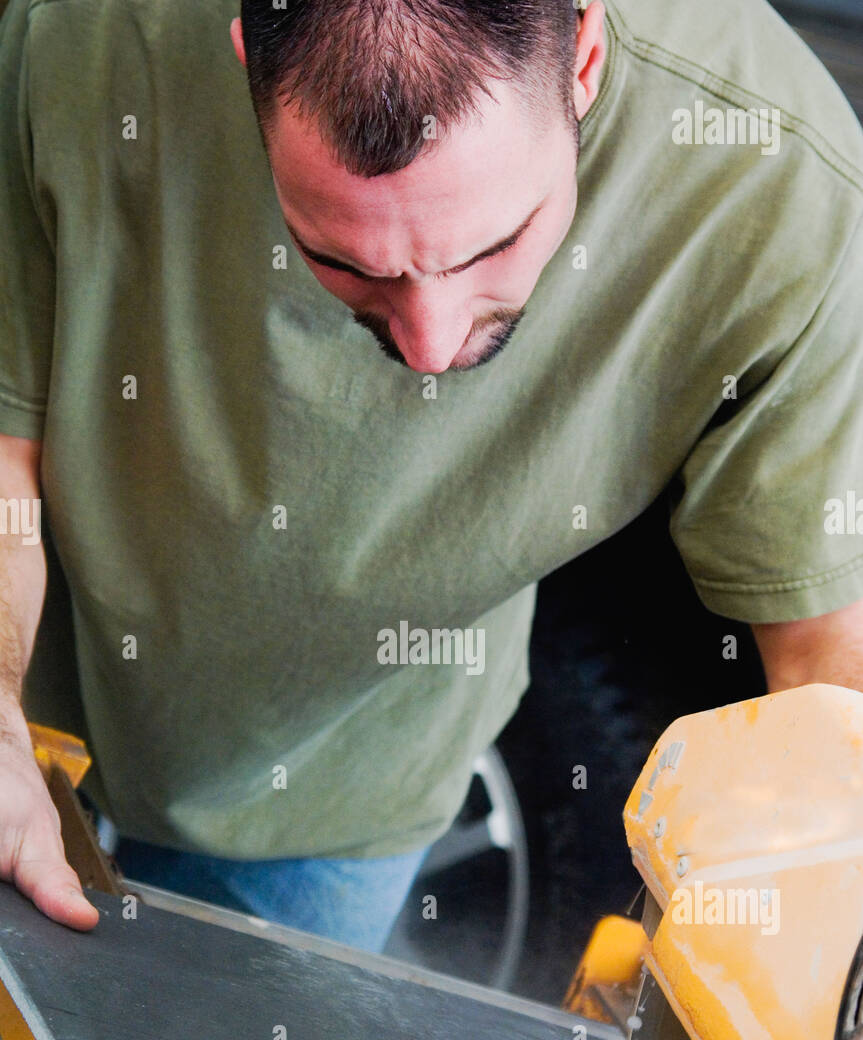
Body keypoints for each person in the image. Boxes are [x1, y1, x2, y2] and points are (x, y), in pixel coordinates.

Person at [0, 0, 861, 949]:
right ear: (247, 62)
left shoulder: (784, 183)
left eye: (494, 247)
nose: (430, 348)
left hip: (345, 777)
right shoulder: (81, 37)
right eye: (344, 262)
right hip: (31, 689)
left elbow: (828, 659)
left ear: (580, 61)